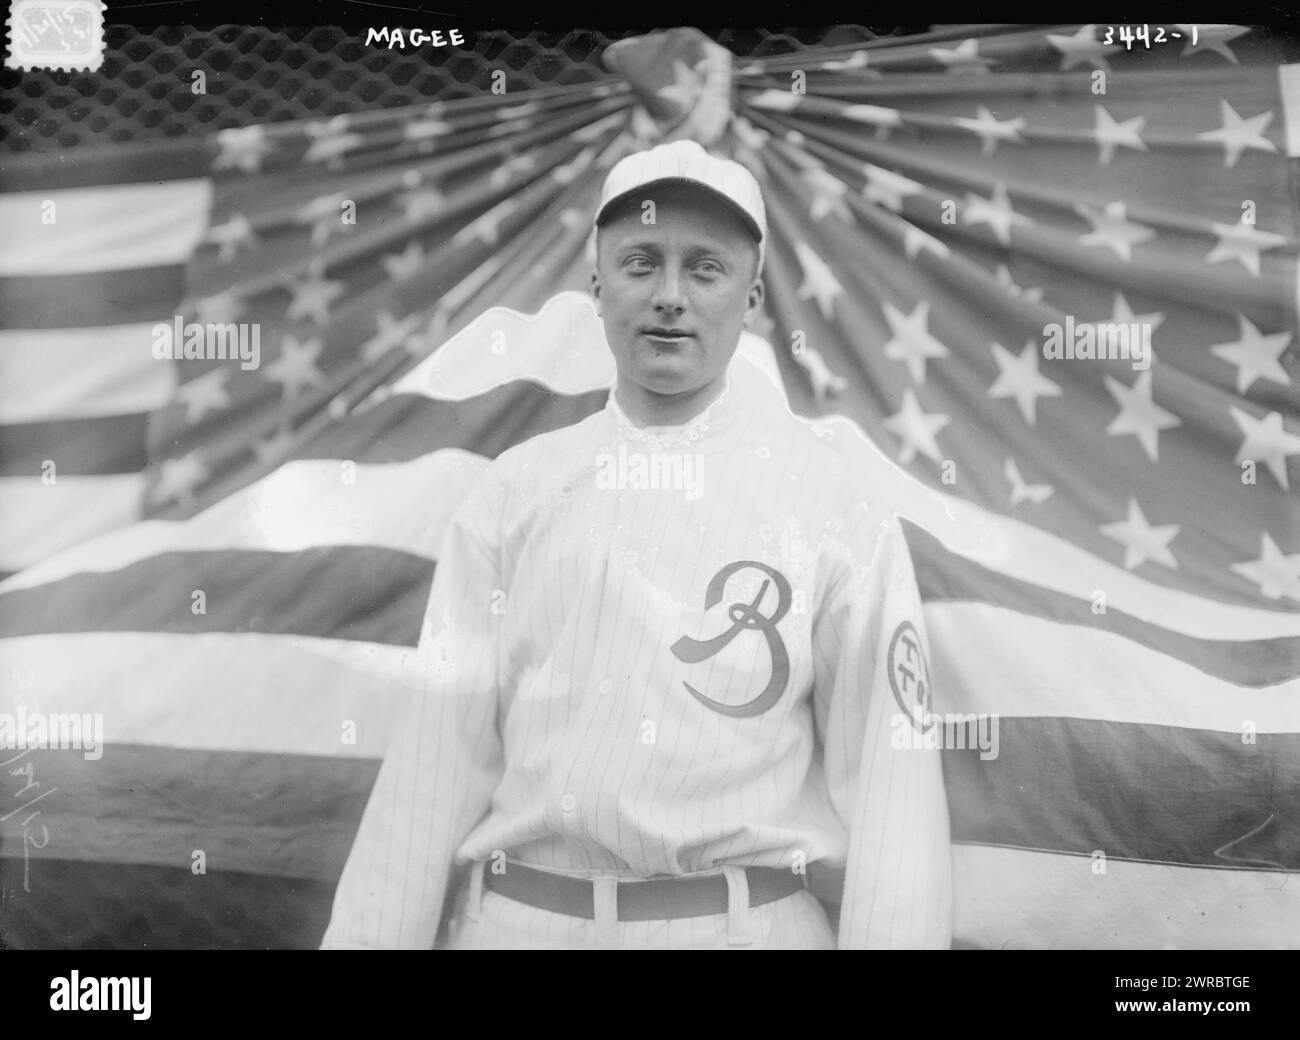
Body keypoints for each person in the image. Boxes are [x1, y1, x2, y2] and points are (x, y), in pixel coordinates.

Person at [320, 139, 951, 950]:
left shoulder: (835, 507)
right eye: (641, 263)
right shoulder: (514, 493)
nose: (670, 297)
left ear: (752, 296)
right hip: (521, 921)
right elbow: (430, 772)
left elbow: (894, 802)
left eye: (706, 269)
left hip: (740, 926)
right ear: (597, 286)